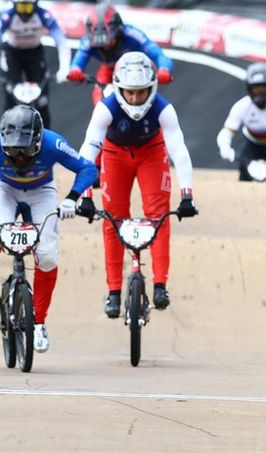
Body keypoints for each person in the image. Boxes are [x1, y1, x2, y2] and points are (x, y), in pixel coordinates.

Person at [0, 105, 98, 353]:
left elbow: (87, 168)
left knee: (47, 256)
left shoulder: (53, 143)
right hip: (4, 188)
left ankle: (39, 323)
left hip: (41, 191)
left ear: (39, 141)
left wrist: (73, 198)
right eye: (12, 151)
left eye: (26, 151)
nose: (20, 158)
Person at [78, 52, 197, 316]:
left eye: (141, 92)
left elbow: (179, 150)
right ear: (119, 88)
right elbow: (88, 151)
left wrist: (187, 195)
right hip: (114, 154)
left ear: (151, 88)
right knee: (112, 218)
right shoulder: (106, 108)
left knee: (159, 215)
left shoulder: (163, 109)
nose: (134, 98)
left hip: (151, 153)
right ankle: (113, 291)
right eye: (129, 92)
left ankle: (160, 284)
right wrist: (85, 195)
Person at [0, 0, 71, 126]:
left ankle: (45, 134)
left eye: (28, 8)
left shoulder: (44, 15)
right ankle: (6, 134)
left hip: (35, 54)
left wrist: (64, 69)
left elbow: (62, 42)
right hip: (12, 54)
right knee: (10, 101)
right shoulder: (7, 15)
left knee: (42, 101)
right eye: (21, 7)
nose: (24, 13)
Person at [66, 3, 174, 105]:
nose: (105, 46)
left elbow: (159, 55)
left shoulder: (133, 35)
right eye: (99, 43)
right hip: (109, 70)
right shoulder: (87, 42)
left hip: (137, 72)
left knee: (149, 101)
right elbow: (78, 60)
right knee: (99, 96)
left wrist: (164, 69)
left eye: (109, 41)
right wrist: (75, 71)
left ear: (118, 32)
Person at [215, 63, 266, 180]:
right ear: (249, 89)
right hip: (251, 146)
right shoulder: (241, 106)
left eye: (263, 89)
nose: (260, 94)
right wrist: (225, 148)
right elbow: (227, 131)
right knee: (244, 178)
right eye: (256, 90)